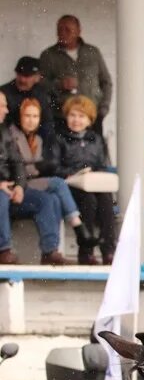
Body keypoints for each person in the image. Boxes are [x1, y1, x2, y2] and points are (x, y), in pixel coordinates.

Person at [7, 96, 82, 256]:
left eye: (35, 116)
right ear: (20, 116)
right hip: (18, 186)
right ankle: (77, 226)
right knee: (58, 183)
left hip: (32, 184)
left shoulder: (38, 139)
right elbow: (19, 168)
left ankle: (51, 250)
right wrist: (37, 167)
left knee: (54, 199)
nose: (31, 120)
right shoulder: (12, 136)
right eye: (27, 116)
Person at [0, 93, 67, 265]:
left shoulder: (4, 133)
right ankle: (3, 250)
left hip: (11, 190)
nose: (6, 110)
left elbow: (18, 164)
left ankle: (50, 251)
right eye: (1, 106)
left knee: (47, 199)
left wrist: (20, 186)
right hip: (1, 192)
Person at [48, 95, 115, 264]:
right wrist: (73, 173)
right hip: (71, 185)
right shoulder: (59, 138)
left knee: (106, 200)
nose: (76, 120)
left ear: (89, 119)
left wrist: (94, 173)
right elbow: (54, 167)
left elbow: (101, 164)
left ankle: (108, 250)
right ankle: (86, 252)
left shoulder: (96, 139)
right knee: (89, 201)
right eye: (73, 115)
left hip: (92, 183)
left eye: (81, 116)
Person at [39, 15, 113, 137]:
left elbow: (106, 82)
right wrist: (60, 84)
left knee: (94, 153)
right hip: (61, 118)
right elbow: (40, 84)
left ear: (78, 31)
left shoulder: (92, 52)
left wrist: (103, 110)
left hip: (92, 117)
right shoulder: (48, 55)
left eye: (67, 30)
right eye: (59, 30)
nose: (62, 33)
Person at [2, 57, 55, 144]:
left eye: (27, 76)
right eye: (20, 74)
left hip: (36, 141)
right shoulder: (3, 93)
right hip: (10, 142)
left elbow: (47, 122)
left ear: (37, 77)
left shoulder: (41, 93)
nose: (22, 80)